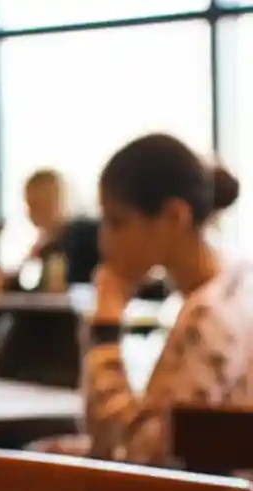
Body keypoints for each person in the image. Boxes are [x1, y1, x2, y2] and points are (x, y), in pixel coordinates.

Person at [45, 134, 249, 466]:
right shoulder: (236, 287)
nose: (105, 240)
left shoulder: (210, 316)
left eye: (117, 222)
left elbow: (139, 455)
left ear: (174, 217)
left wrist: (106, 331)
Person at [0, 169, 100, 292]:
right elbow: (32, 285)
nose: (31, 213)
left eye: (39, 204)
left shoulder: (83, 237)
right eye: (30, 204)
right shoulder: (44, 246)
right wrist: (5, 282)